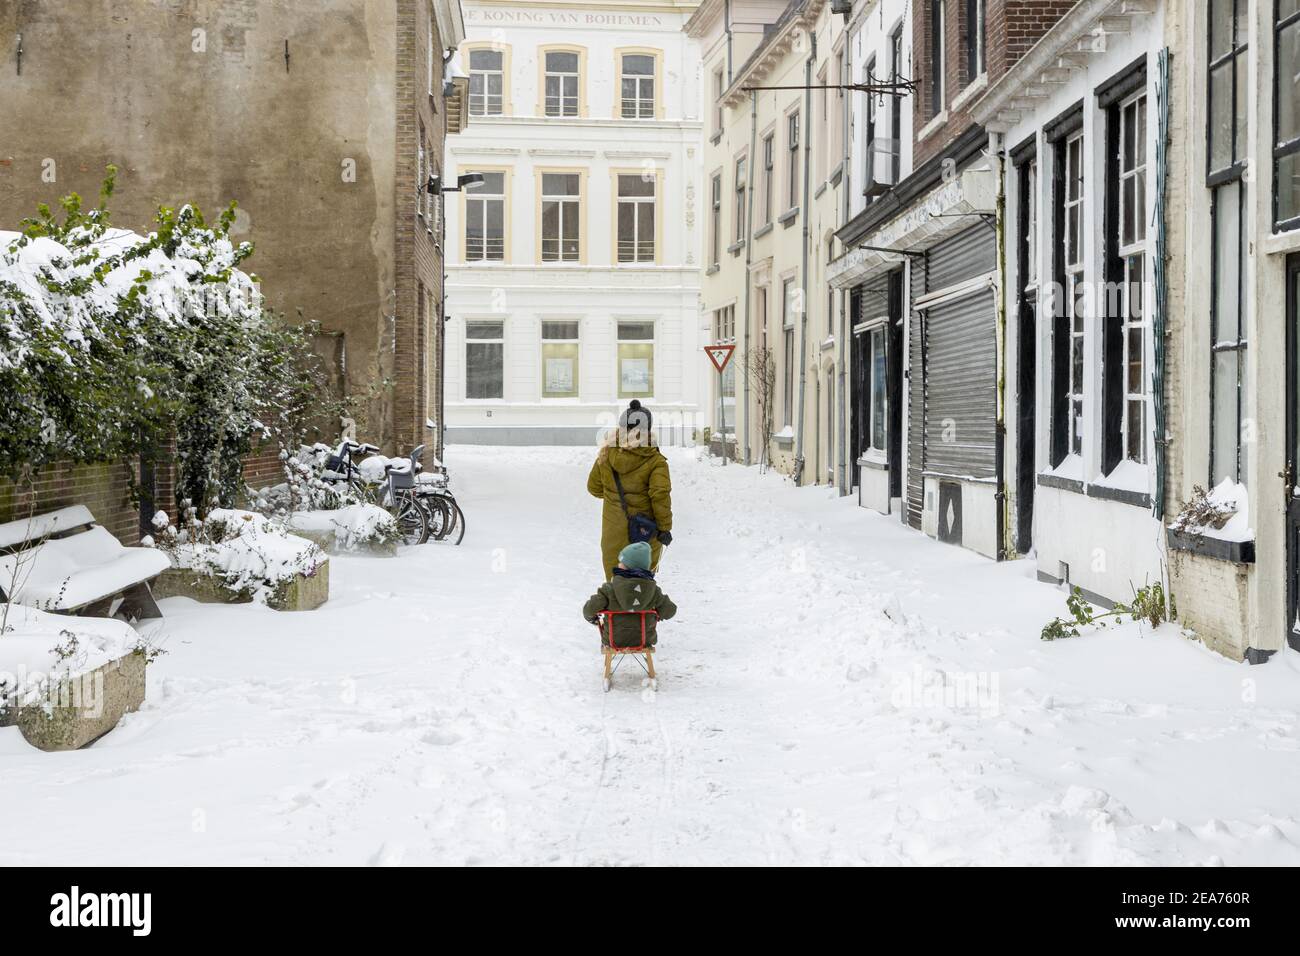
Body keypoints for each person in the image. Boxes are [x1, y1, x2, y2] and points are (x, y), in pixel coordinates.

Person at [587, 399, 673, 580]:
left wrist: (614, 496)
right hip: (645, 534)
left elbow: (594, 488)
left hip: (613, 532)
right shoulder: (655, 460)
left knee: (615, 584)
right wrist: (664, 529)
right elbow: (660, 495)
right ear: (647, 430)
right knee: (641, 586)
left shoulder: (606, 454)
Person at [582, 541, 676, 647]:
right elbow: (670, 611)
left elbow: (589, 609)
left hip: (613, 641)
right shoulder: (653, 590)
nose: (618, 564)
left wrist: (593, 618)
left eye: (621, 562)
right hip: (644, 641)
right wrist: (656, 615)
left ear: (627, 566)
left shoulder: (609, 589)